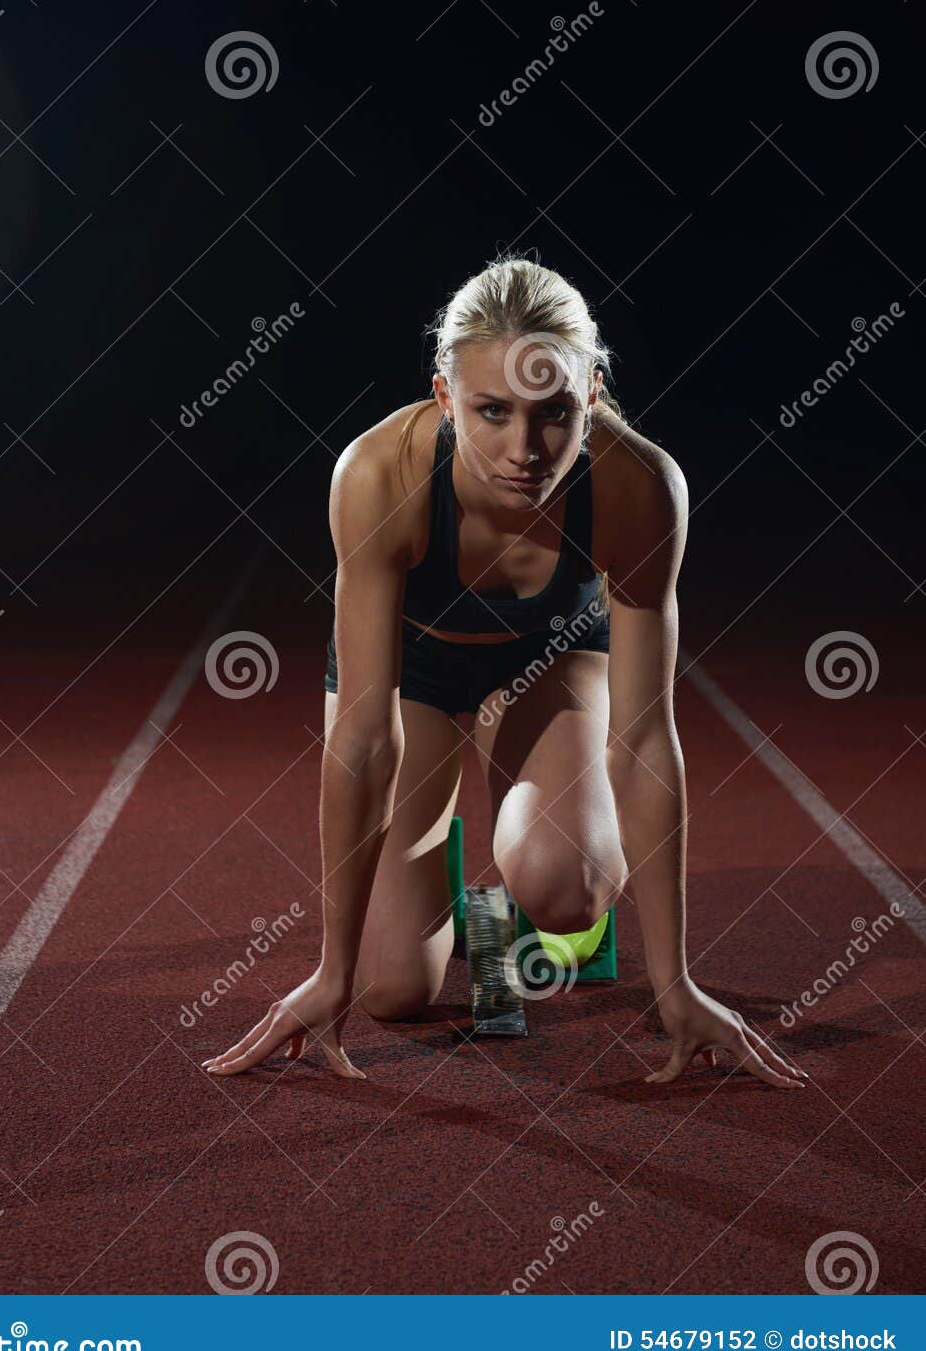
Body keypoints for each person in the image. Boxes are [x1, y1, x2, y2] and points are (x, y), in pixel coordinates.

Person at [204, 254, 806, 1089]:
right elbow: (365, 740)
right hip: (415, 675)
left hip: (550, 660)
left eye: (554, 412)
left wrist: (676, 984)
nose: (525, 451)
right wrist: (329, 974)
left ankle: (552, 879)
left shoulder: (639, 486)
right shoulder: (378, 476)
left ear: (592, 392)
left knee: (568, 886)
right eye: (492, 411)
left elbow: (644, 742)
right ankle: (445, 855)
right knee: (391, 992)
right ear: (445, 397)